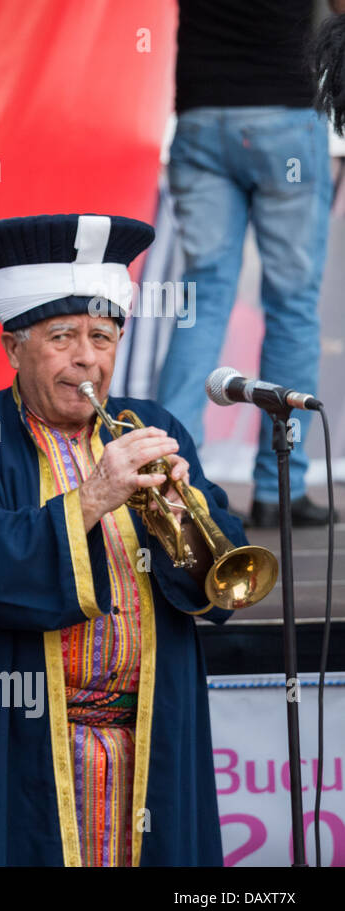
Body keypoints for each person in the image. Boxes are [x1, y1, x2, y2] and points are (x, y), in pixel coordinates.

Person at [0, 214, 254, 866]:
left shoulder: (151, 423)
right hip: (22, 744)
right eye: (62, 337)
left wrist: (185, 516)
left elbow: (221, 585)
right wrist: (94, 496)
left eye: (103, 336)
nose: (87, 359)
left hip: (154, 739)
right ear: (14, 348)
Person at [156, 0, 335, 527]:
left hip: (200, 115)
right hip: (283, 118)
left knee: (202, 301)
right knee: (293, 305)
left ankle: (170, 479)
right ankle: (280, 490)